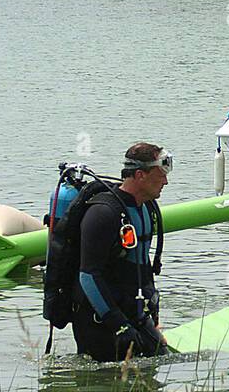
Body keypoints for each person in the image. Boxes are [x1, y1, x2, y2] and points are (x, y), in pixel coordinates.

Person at [70, 142, 172, 361]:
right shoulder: (103, 213)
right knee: (108, 387)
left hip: (133, 313)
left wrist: (152, 313)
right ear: (140, 175)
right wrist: (119, 326)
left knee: (158, 366)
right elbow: (88, 276)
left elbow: (143, 266)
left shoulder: (146, 208)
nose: (166, 181)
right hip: (100, 320)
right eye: (160, 174)